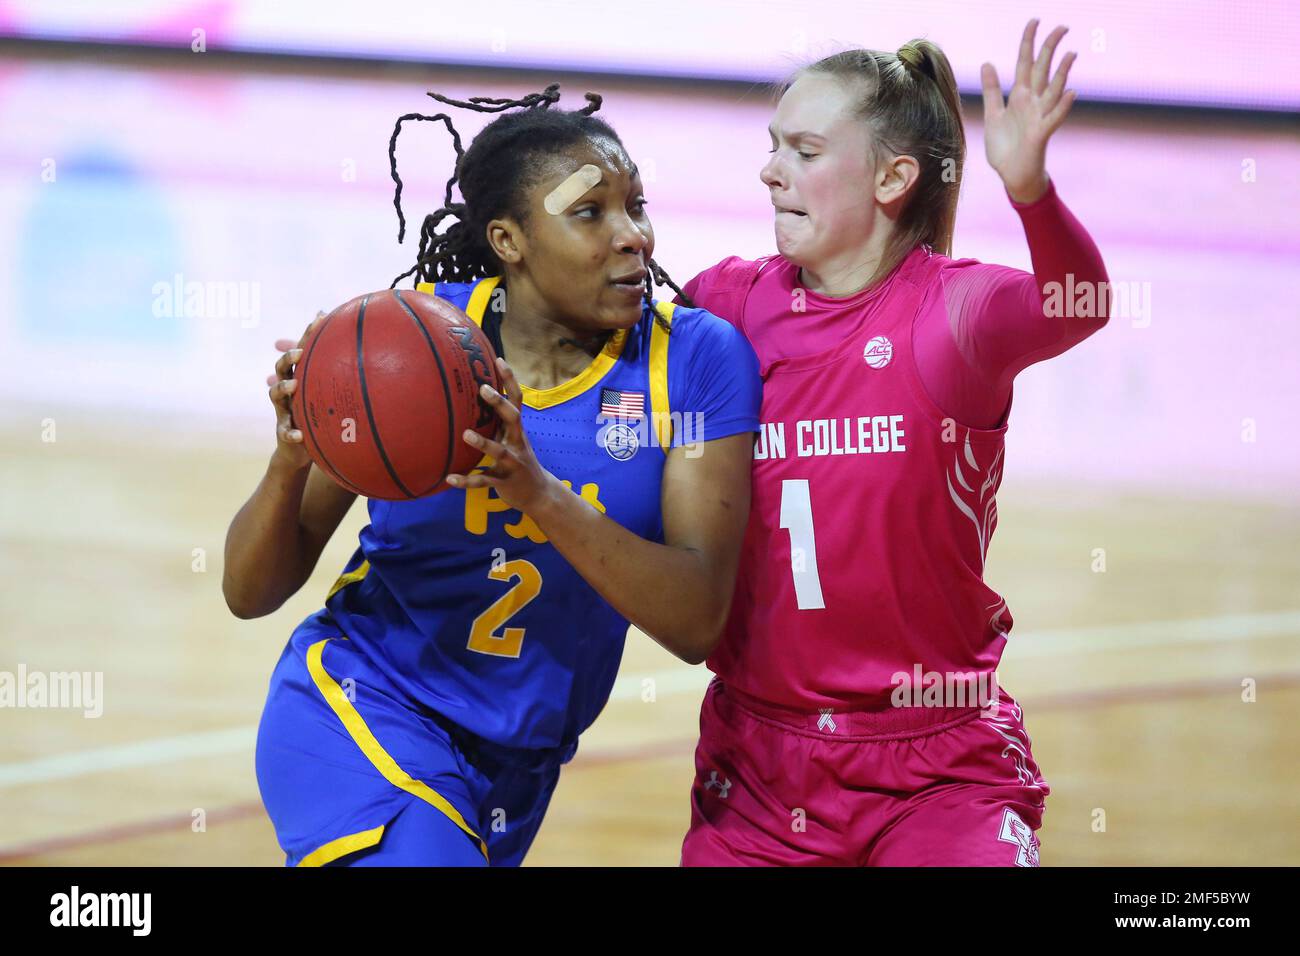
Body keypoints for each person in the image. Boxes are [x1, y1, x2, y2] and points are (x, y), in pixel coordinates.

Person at [223, 85, 761, 866]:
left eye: (635, 205)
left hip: (519, 760)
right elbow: (249, 592)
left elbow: (696, 622)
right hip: (363, 705)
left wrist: (533, 489)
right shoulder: (413, 347)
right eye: (590, 213)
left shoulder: (698, 358)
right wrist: (291, 457)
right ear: (509, 240)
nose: (633, 236)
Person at [677, 21, 1109, 866]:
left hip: (938, 769)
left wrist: (1032, 193)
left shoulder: (954, 316)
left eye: (804, 151)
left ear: (893, 177)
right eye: (774, 147)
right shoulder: (724, 303)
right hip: (760, 766)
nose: (771, 171)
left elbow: (1079, 306)